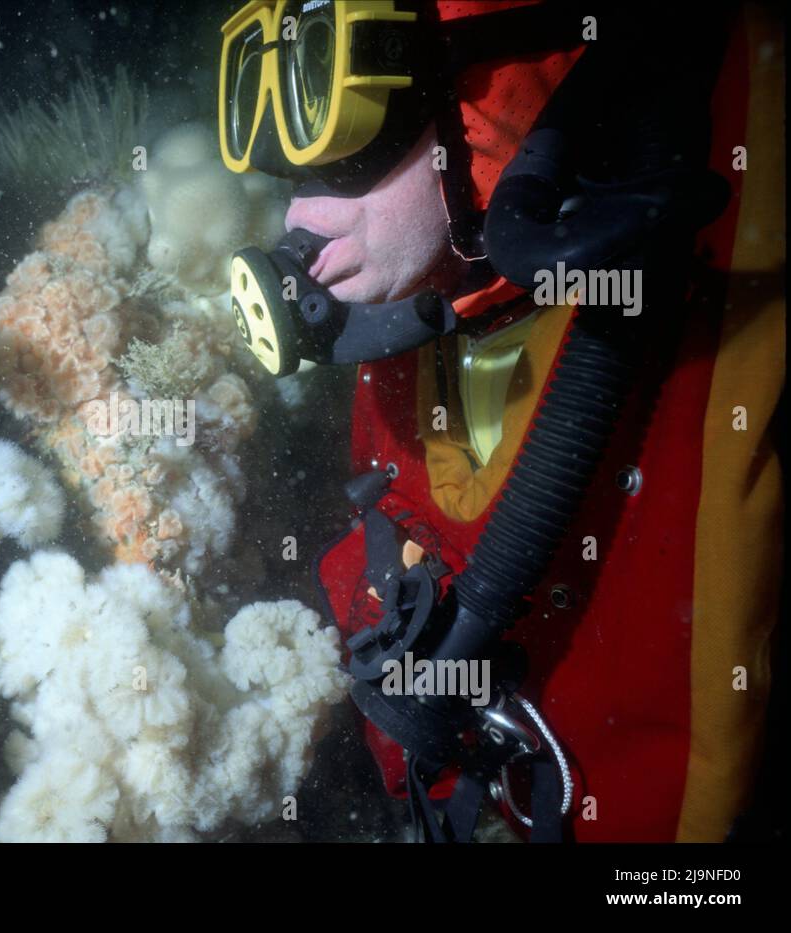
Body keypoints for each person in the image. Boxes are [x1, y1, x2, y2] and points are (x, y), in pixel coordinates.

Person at [220, 0, 783, 841]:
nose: (299, 216)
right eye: (287, 162)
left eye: (346, 140)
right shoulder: (421, 309)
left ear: (483, 103)